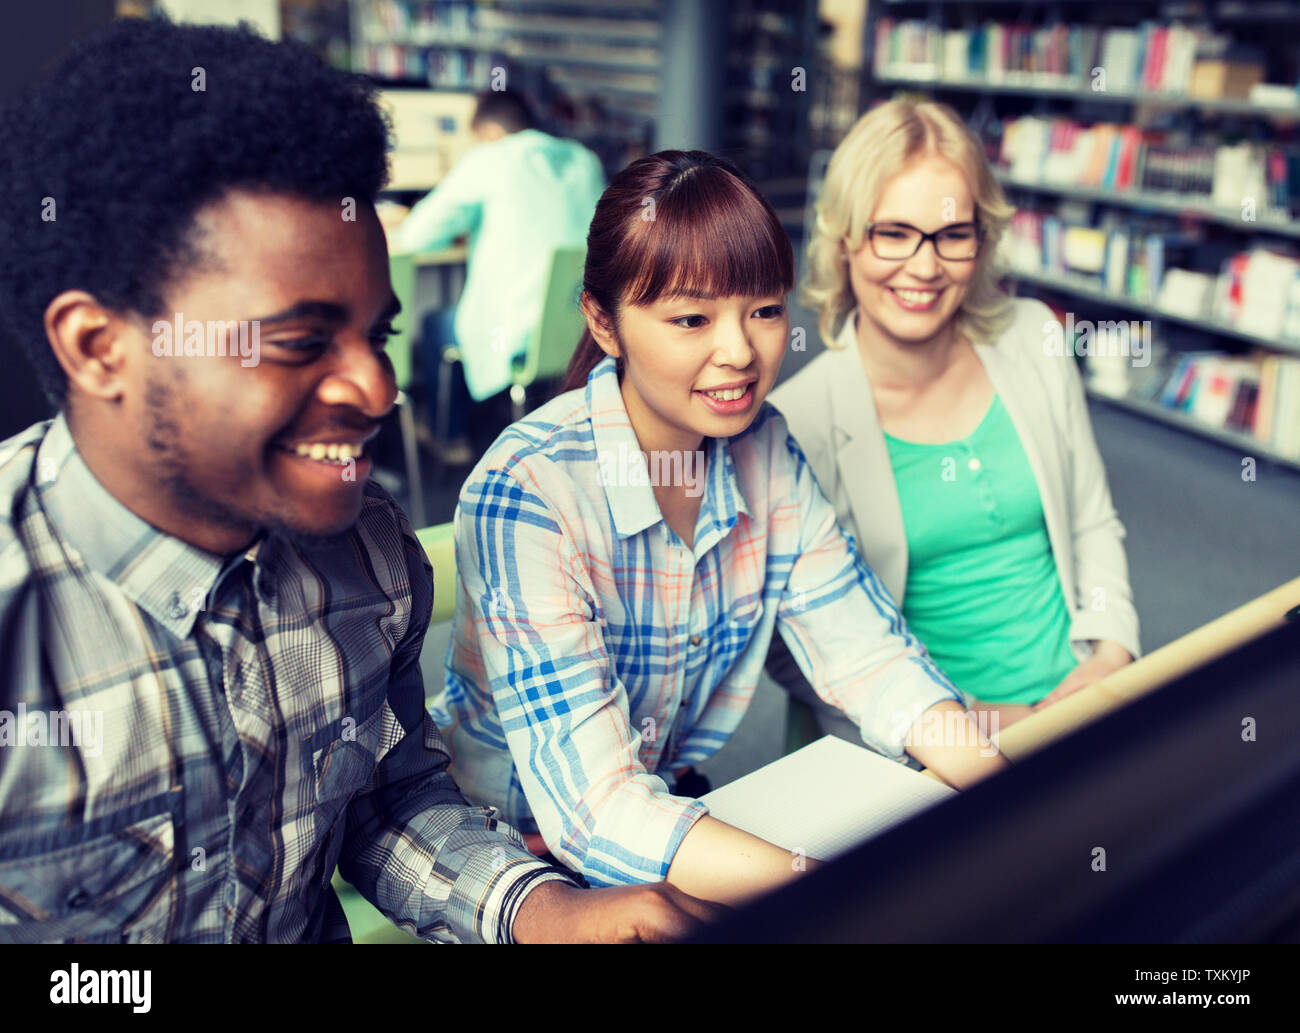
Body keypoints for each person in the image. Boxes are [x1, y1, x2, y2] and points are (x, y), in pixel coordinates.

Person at [0, 18, 716, 944]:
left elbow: (383, 797)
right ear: (101, 348)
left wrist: (542, 909)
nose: (379, 387)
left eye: (376, 335)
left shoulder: (370, 549)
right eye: (299, 342)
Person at [430, 150, 1011, 907]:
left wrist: (1014, 800)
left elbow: (868, 656)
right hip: (518, 854)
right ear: (603, 321)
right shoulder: (531, 489)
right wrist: (840, 891)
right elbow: (595, 808)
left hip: (666, 807)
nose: (740, 351)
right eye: (692, 318)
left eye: (765, 310)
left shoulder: (762, 443)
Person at [767, 99, 1140, 742]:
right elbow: (790, 648)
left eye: (951, 234)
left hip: (1084, 695)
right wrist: (963, 721)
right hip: (932, 737)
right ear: (845, 241)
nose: (925, 265)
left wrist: (1112, 655)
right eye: (893, 232)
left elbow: (1091, 520)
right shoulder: (795, 423)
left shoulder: (1035, 339)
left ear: (981, 238)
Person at [392, 89, 605, 463]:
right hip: (582, 330)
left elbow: (417, 235)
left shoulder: (490, 159)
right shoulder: (584, 161)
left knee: (436, 323)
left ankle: (449, 437)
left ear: (487, 131)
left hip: (513, 334)